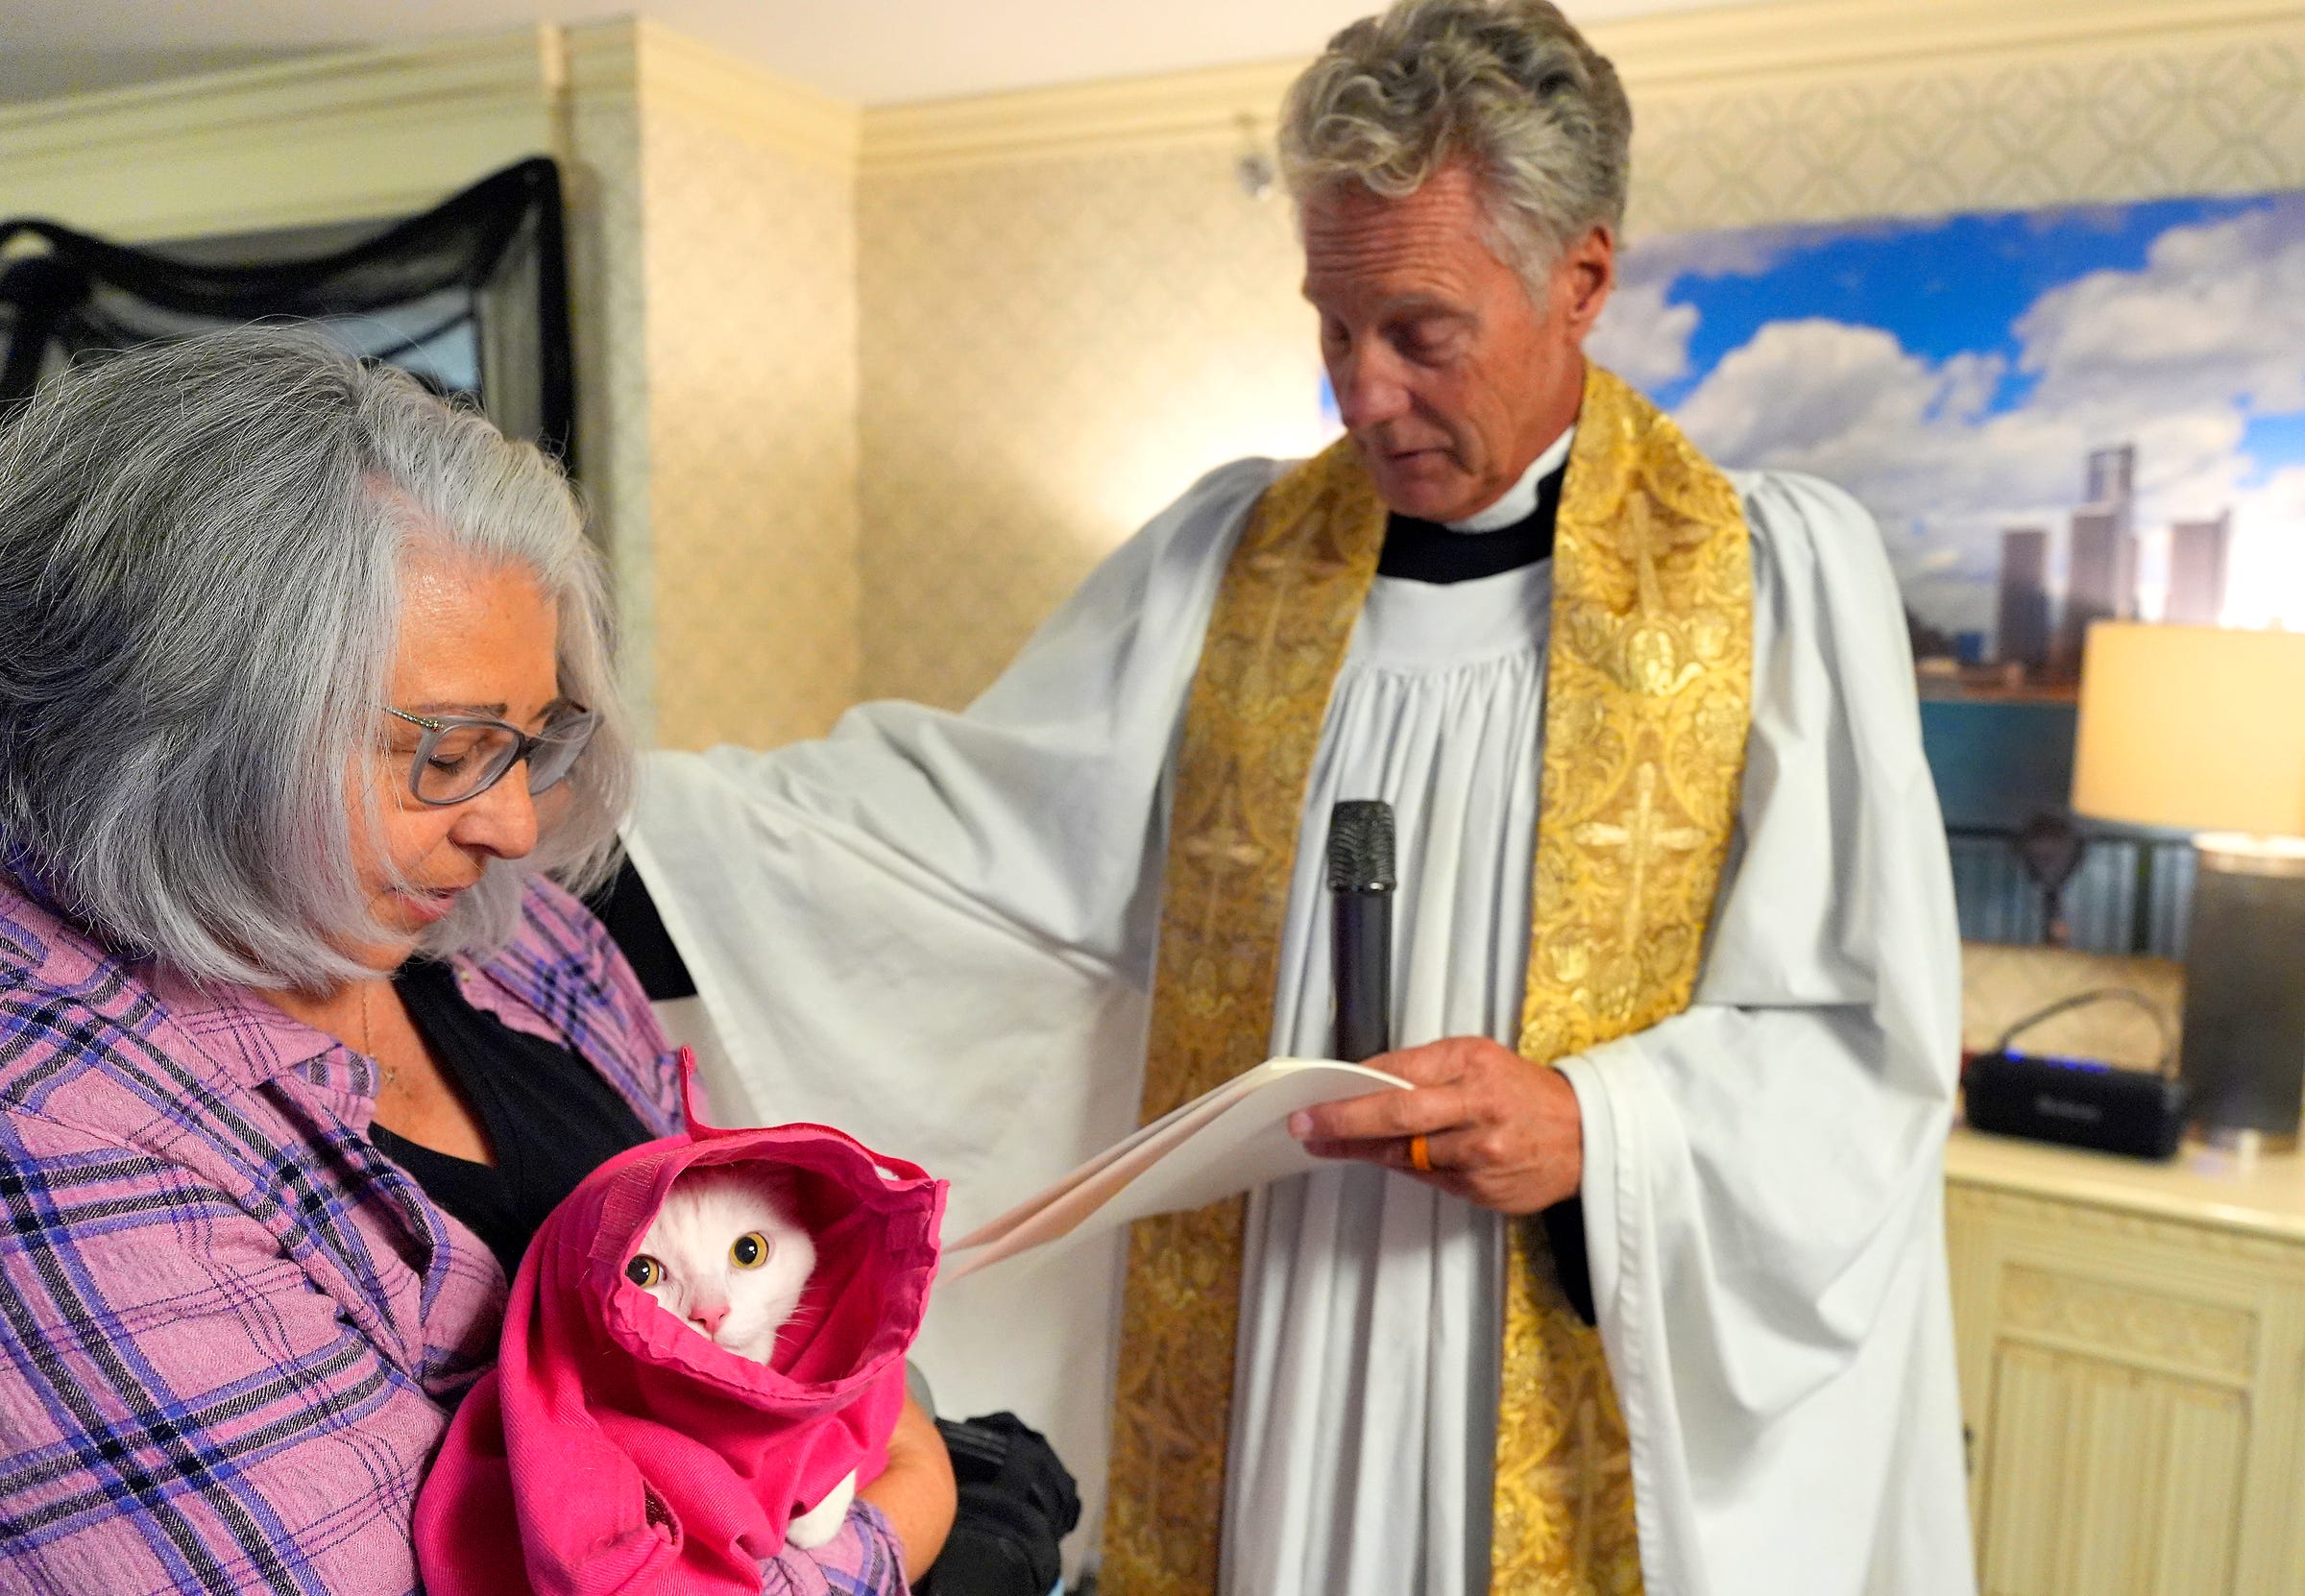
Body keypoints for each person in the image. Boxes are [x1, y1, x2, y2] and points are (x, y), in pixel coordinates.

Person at [628, 3, 1972, 1593]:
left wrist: (1598, 1123)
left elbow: (1864, 1048)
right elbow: (953, 837)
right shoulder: (1227, 562)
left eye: (1420, 331)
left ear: (1583, 279)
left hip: (1548, 1335)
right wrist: (600, 825)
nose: (1358, 391)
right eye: (1332, 326)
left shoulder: (1767, 580)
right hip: (1272, 1337)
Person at [0, 331, 952, 1595]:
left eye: (527, 740)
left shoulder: (519, 935)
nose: (511, 826)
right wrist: (906, 1516)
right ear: (180, 727)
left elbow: (796, 1306)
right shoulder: (58, 1118)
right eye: (443, 753)